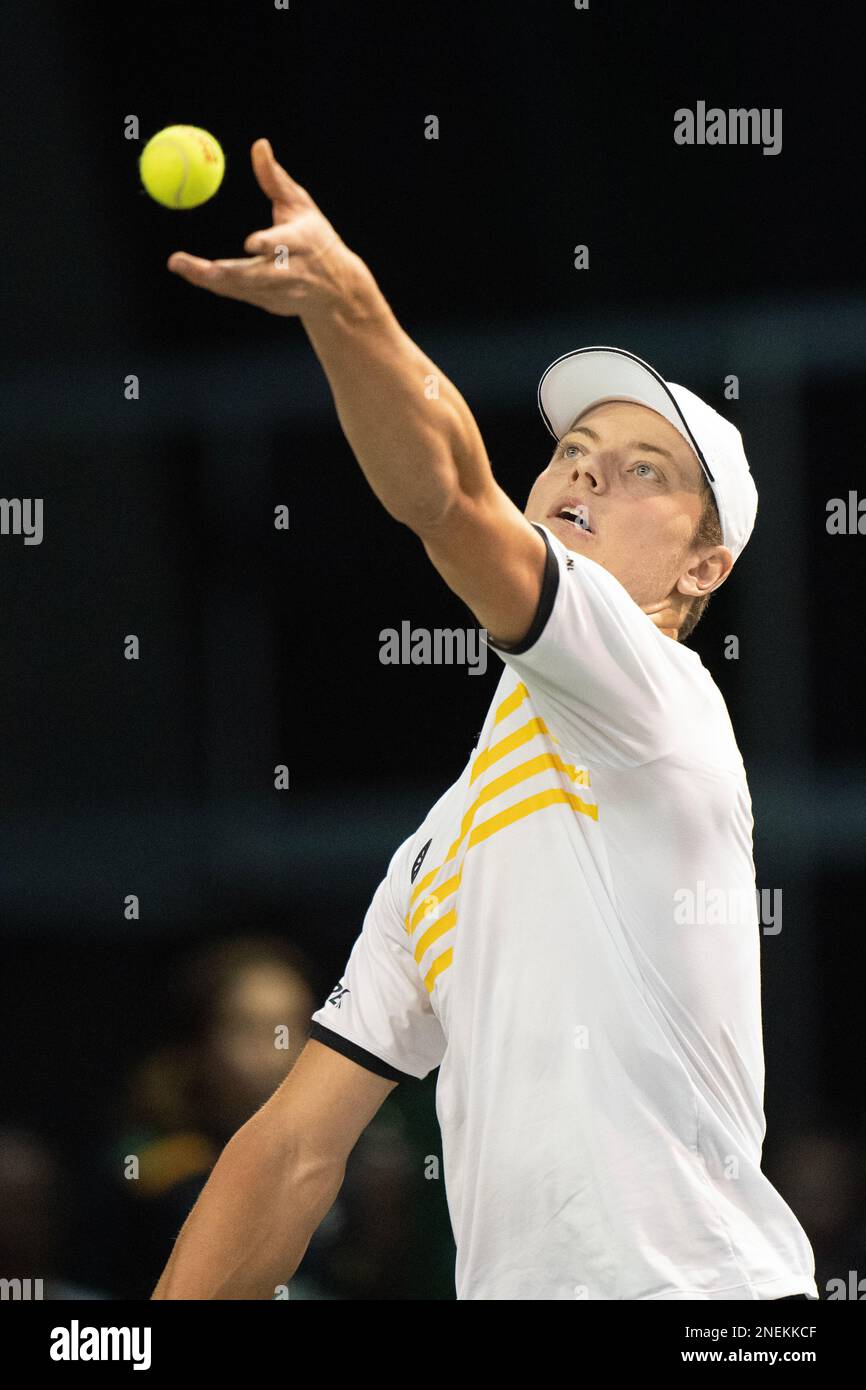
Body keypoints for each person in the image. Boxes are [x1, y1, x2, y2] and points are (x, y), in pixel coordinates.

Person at [153, 138, 818, 1300]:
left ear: (702, 568)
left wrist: (344, 305)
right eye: (571, 452)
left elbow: (448, 493)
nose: (586, 475)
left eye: (643, 471)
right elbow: (290, 1150)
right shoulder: (441, 852)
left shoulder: (651, 698)